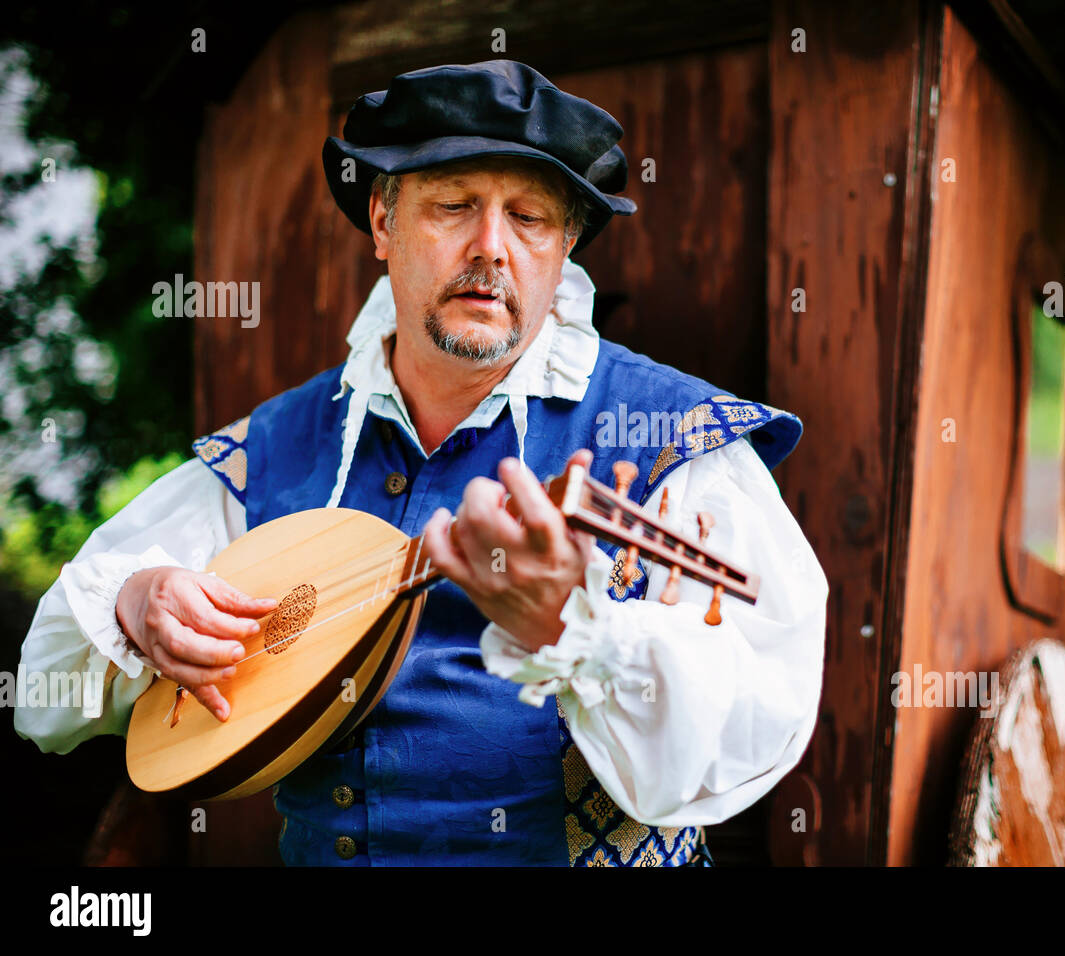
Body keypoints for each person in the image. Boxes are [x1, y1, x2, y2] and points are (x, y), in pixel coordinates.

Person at [15, 60, 828, 866]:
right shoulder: (280, 444)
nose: (493, 249)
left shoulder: (667, 441)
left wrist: (579, 631)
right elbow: (46, 695)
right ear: (381, 221)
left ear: (565, 247)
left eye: (531, 220)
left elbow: (746, 731)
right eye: (454, 207)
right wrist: (137, 603)